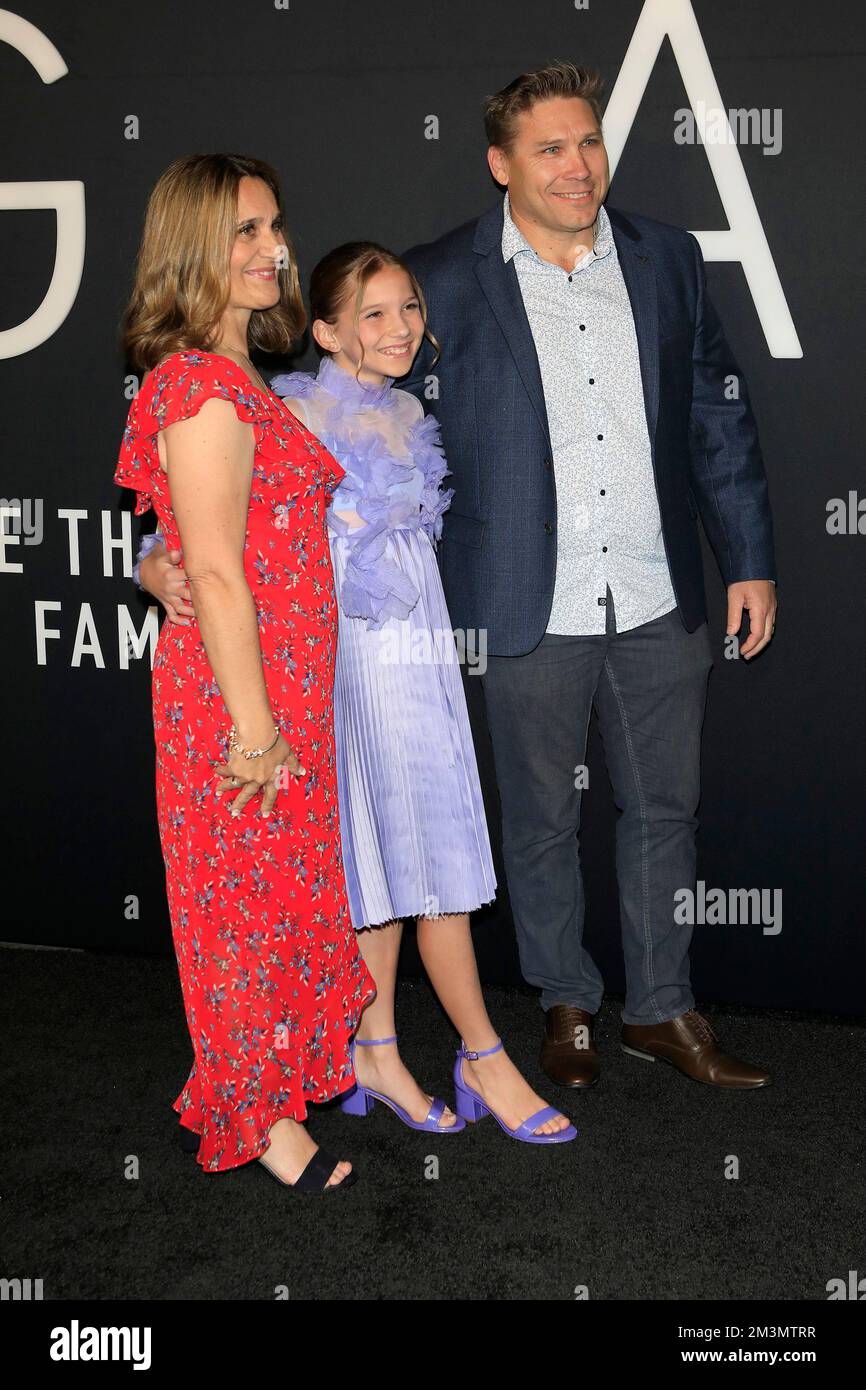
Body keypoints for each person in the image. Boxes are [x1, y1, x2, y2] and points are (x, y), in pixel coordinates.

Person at [138, 242, 577, 1144]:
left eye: (409, 309)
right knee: (398, 866)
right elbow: (199, 516)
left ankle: (374, 1048)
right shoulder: (288, 407)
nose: (399, 329)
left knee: (399, 858)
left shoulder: (412, 412)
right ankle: (476, 1054)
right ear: (325, 331)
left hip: (416, 656)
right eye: (372, 314)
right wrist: (152, 565)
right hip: (340, 667)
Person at [398, 61, 778, 1090]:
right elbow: (365, 415)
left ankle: (661, 1009)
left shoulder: (667, 258)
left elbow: (717, 414)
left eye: (588, 143)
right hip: (522, 598)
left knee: (666, 810)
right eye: (549, 149)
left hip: (657, 592)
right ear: (499, 164)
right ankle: (563, 1002)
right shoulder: (435, 279)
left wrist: (745, 559)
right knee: (538, 817)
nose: (577, 168)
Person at [114, 153, 376, 1195]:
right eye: (245, 233)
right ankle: (258, 1121)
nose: (273, 250)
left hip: (272, 693)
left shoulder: (232, 378)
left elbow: (188, 540)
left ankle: (232, 1091)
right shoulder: (196, 383)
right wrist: (257, 731)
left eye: (274, 226)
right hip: (238, 705)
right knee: (242, 912)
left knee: (264, 902)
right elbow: (217, 571)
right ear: (193, 250)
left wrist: (151, 564)